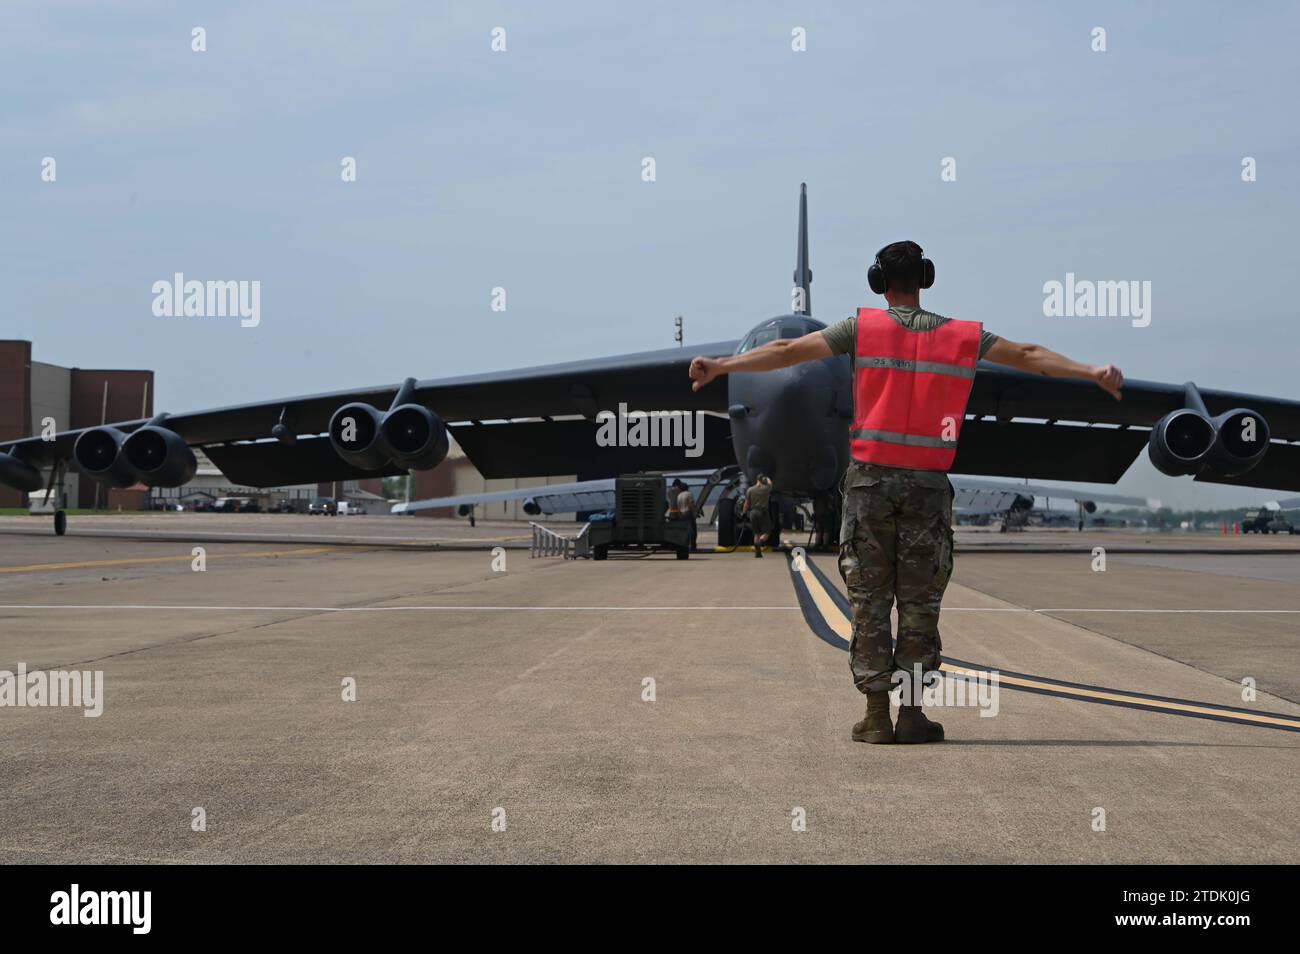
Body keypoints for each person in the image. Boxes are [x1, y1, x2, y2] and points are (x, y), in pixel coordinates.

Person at [688, 240, 1123, 743]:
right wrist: (1091, 372)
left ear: (879, 282)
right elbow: (1028, 356)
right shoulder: (962, 336)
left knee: (869, 601)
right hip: (928, 486)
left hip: (870, 484)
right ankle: (912, 714)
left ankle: (875, 716)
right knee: (919, 604)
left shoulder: (861, 330)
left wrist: (721, 366)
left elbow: (786, 351)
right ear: (927, 278)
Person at [743, 474, 774, 557]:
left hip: (753, 512)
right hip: (763, 512)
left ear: (757, 480)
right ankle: (759, 542)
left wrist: (744, 512)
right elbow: (770, 484)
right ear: (762, 480)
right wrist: (768, 478)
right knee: (767, 532)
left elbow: (747, 503)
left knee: (756, 533)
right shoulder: (766, 489)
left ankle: (758, 552)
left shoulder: (750, 490)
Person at [673, 479, 699, 552]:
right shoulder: (689, 494)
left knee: (685, 531)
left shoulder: (679, 495)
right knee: (693, 531)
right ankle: (693, 547)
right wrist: (695, 512)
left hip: (681, 514)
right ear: (687, 488)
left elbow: (678, 506)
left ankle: (685, 546)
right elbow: (691, 504)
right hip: (688, 513)